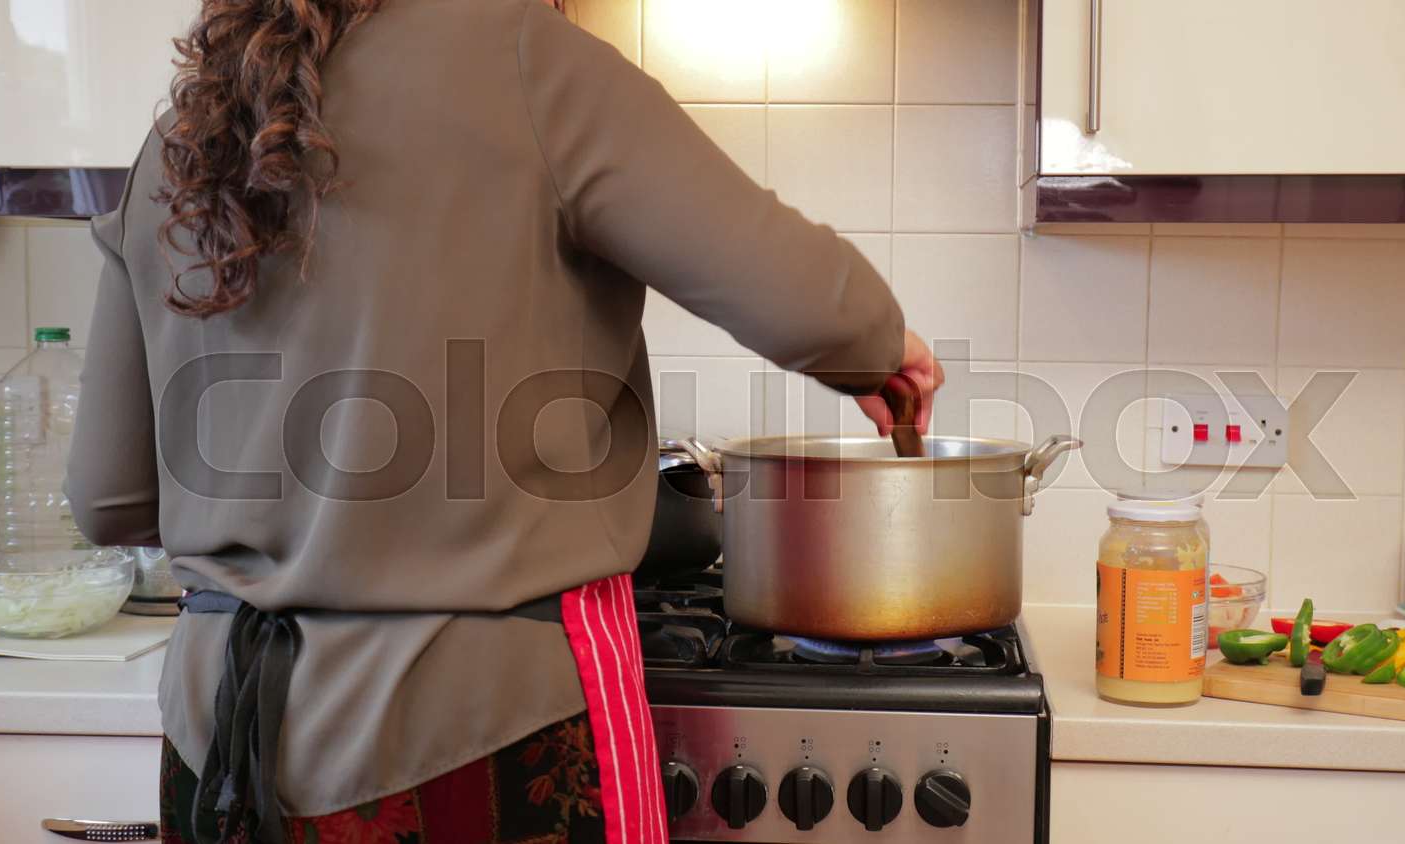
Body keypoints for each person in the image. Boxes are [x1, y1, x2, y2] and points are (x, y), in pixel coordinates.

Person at [64, 0, 943, 842]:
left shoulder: (191, 125)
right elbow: (801, 297)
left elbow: (108, 497)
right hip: (478, 742)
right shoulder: (524, 56)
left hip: (220, 751)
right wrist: (877, 343)